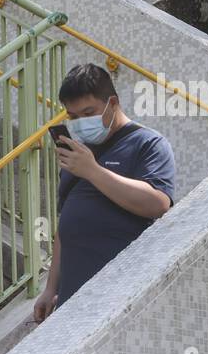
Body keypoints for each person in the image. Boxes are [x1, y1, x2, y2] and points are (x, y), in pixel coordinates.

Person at [33, 63, 175, 322]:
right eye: (73, 116)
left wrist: (92, 171)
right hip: (71, 299)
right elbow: (65, 226)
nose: (81, 123)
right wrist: (51, 288)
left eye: (89, 112)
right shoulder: (77, 154)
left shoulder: (148, 144)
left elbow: (158, 203)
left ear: (112, 103)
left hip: (120, 299)